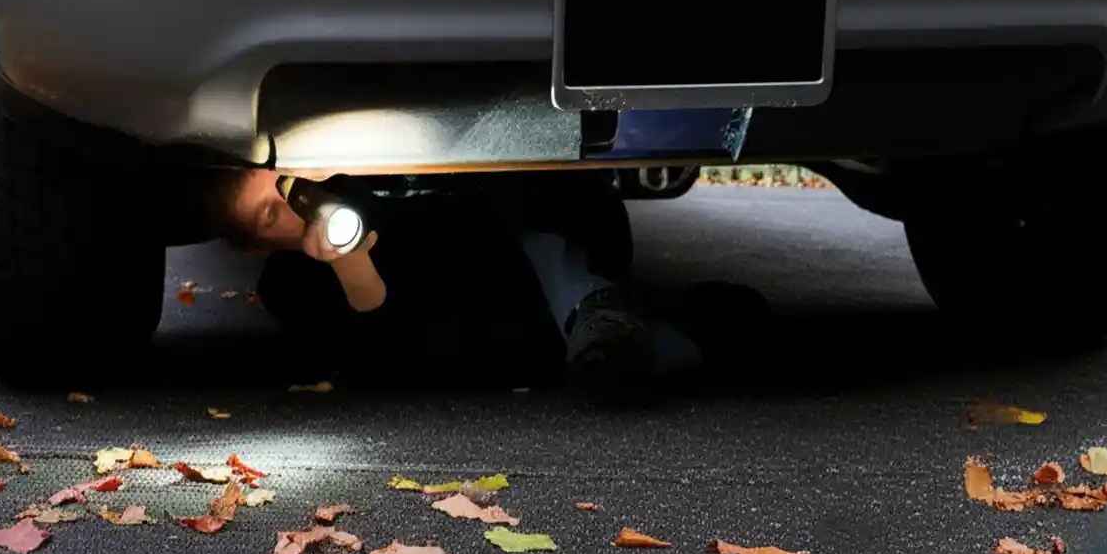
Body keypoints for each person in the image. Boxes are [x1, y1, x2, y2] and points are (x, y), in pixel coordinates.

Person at [199, 167, 754, 398]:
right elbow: (378, 357)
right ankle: (631, 332)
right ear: (255, 243)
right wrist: (349, 262)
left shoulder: (367, 179)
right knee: (685, 339)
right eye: (269, 214)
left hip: (556, 256)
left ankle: (602, 315)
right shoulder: (289, 283)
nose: (287, 204)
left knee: (592, 310)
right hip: (519, 339)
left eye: (283, 184)